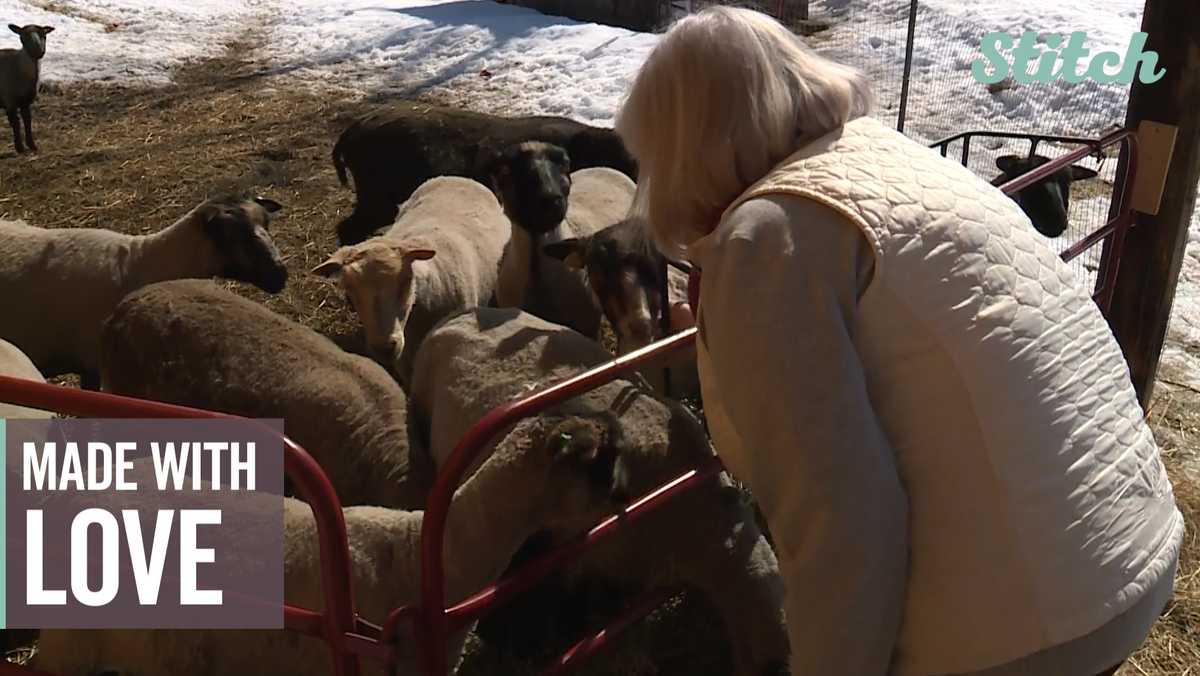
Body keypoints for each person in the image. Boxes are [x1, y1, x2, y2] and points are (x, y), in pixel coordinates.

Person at [614, 7, 1184, 676]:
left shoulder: (767, 240)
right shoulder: (886, 158)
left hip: (1028, 631)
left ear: (681, 146)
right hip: (1125, 554)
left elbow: (841, 526)